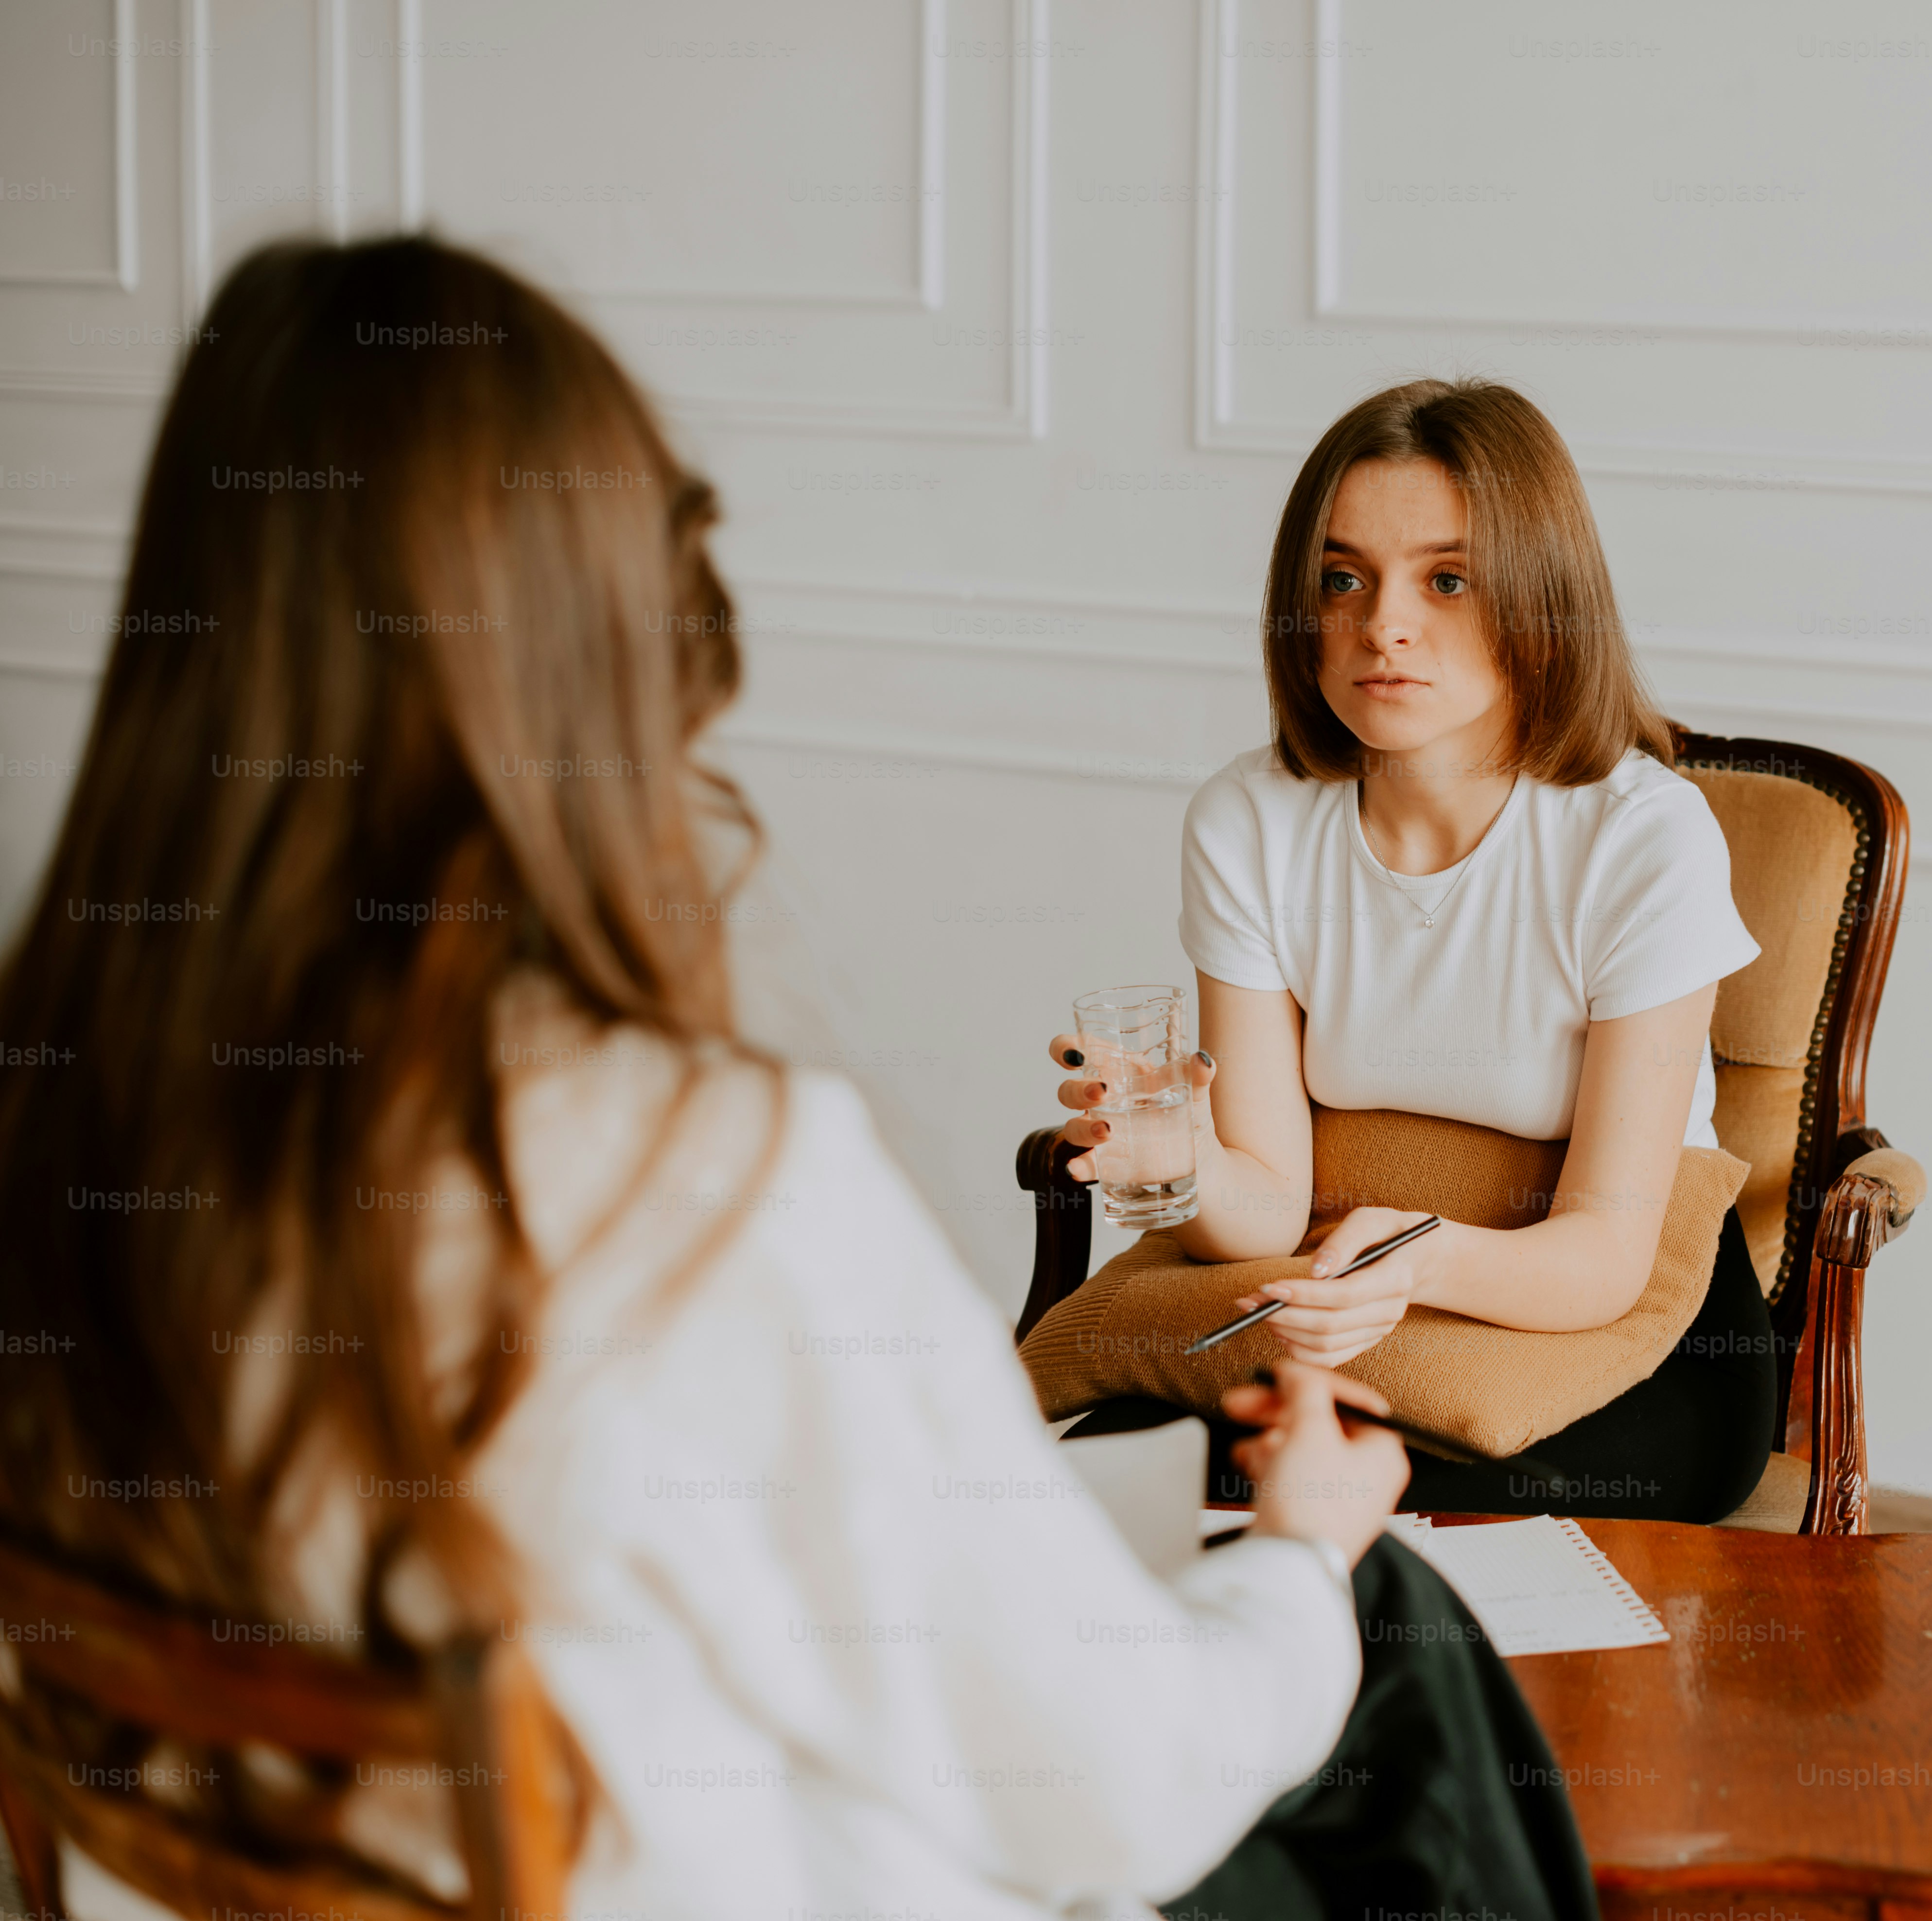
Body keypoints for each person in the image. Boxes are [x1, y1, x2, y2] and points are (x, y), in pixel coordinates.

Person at [0, 238, 1595, 1921]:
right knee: (1389, 1643)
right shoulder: (689, 1176)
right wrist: (1303, 1550)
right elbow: (1116, 1791)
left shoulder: (69, 1130)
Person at [1056, 381, 1777, 1524]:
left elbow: (1602, 1254)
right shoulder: (1248, 819)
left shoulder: (1641, 837)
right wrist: (1181, 1150)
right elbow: (1266, 1207)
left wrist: (1421, 1259)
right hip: (1347, 1286)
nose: (1381, 625)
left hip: (1618, 1324)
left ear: (1541, 599)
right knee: (1101, 1490)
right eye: (1341, 579)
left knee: (1385, 1523)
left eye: (1446, 580)